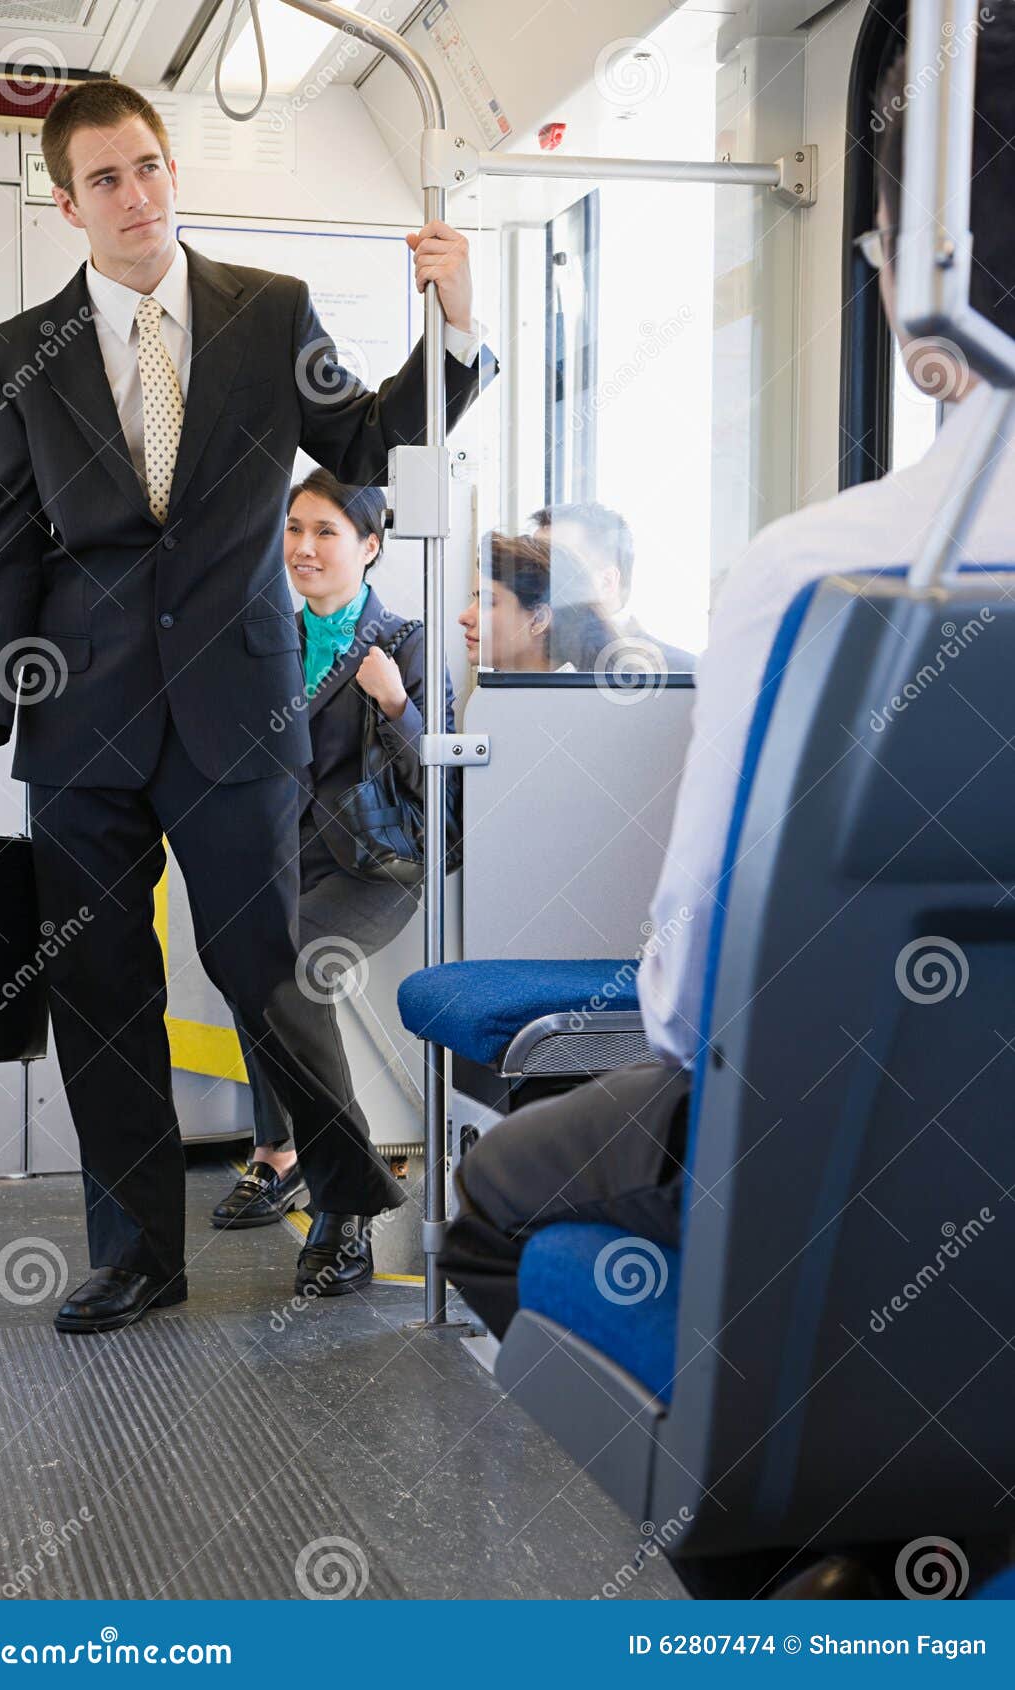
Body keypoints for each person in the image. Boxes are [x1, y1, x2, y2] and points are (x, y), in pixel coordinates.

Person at [441, 5, 1015, 1338]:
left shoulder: (815, 575)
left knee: (499, 1196)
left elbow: (696, 993)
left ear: (899, 265)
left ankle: (766, 1505)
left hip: (852, 1141)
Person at [0, 79, 491, 1334]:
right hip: (79, 716)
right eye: (105, 180)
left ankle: (345, 1207)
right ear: (64, 197)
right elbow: (0, 552)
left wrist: (455, 328)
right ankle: (139, 1252)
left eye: (148, 167)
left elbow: (364, 447)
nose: (135, 197)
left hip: (238, 708)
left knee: (265, 970)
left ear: (170, 169)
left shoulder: (267, 313)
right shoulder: (14, 357)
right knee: (98, 983)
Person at [211, 469, 457, 1294]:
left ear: (371, 546)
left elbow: (445, 787)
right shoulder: (263, 633)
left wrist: (397, 707)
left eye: (325, 532)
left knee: (291, 967)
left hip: (370, 866)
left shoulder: (406, 643)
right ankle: (278, 1151)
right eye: (293, 529)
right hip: (276, 858)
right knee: (251, 963)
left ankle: (346, 1205)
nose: (303, 548)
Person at [531, 500, 696, 673]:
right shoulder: (515, 662)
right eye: (531, 564)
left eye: (558, 564)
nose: (533, 578)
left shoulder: (682, 675)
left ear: (606, 582)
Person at [458, 531, 615, 673]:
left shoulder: (570, 702)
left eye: (486, 602)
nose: (464, 618)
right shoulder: (498, 697)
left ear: (538, 619)